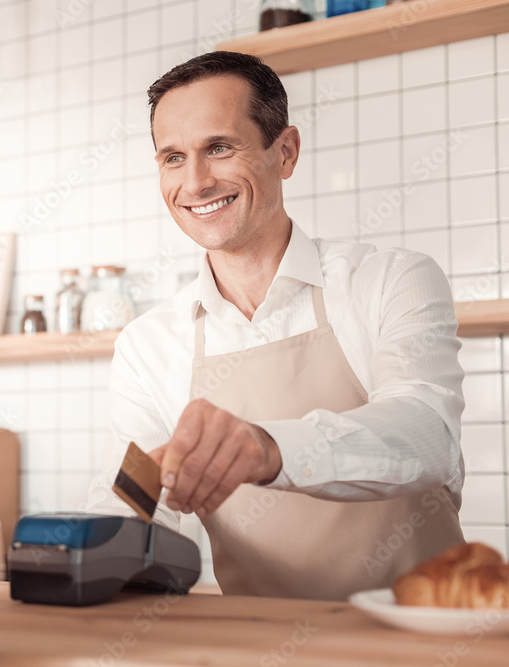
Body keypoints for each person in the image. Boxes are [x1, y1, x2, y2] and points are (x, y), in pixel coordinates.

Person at [87, 51, 465, 601]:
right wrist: (87, 549)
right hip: (258, 645)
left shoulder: (390, 280)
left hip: (420, 638)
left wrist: (269, 449)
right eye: (172, 157)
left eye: (218, 148)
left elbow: (429, 435)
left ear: (284, 152)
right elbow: (139, 503)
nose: (194, 182)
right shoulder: (148, 345)